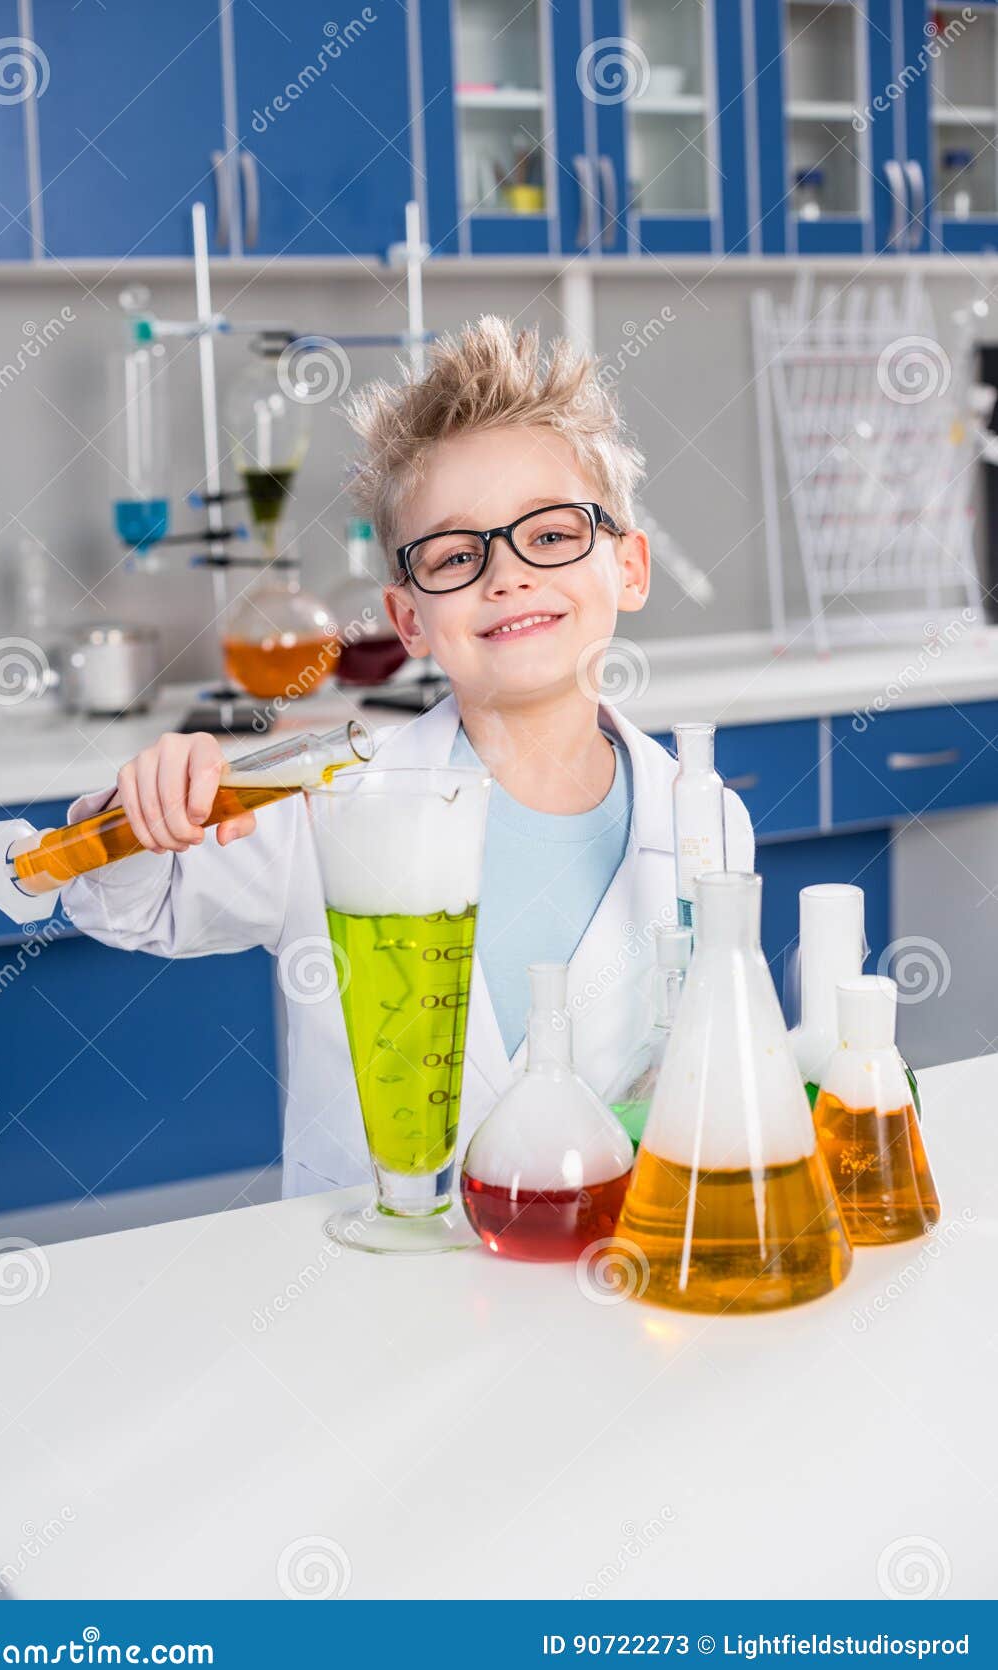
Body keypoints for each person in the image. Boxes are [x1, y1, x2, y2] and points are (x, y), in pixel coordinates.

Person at [63, 317, 754, 1195]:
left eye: (550, 535)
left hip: (612, 1285)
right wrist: (143, 808)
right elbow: (129, 901)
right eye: (457, 555)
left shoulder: (705, 819)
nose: (507, 577)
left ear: (630, 566)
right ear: (408, 620)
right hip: (373, 1298)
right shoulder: (328, 800)